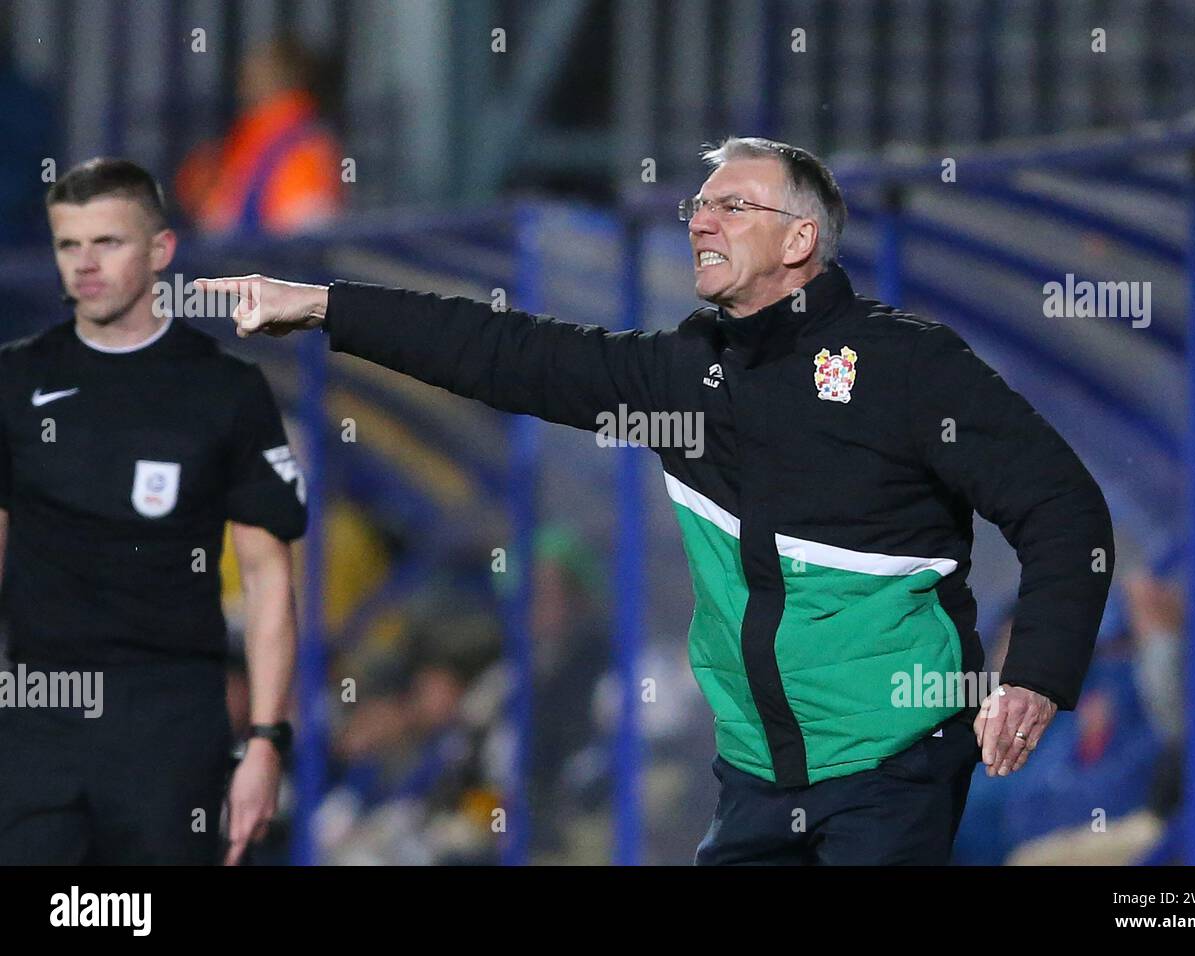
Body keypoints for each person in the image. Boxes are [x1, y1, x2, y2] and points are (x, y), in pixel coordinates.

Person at [195, 136, 1114, 865]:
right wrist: (324, 307)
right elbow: (502, 350)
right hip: (755, 781)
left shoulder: (905, 365)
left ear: (801, 241)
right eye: (697, 205)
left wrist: (1034, 672)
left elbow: (1064, 508)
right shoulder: (680, 377)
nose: (702, 221)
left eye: (732, 204)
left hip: (891, 768)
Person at [0, 158, 307, 865]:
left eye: (107, 242)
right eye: (68, 245)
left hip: (170, 716)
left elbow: (268, 581)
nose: (84, 264)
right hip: (37, 705)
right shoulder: (17, 381)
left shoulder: (223, 391)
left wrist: (264, 743)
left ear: (161, 251)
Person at [174, 35, 343, 237]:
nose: (243, 78)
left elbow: (305, 232)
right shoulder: (250, 138)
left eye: (259, 69)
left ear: (284, 78)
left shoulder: (306, 147)